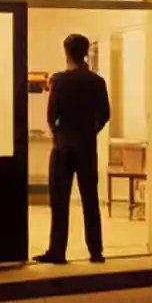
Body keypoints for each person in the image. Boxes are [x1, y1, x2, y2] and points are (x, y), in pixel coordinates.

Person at [34, 33, 110, 264]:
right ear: (85, 52)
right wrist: (90, 131)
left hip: (63, 147)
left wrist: (60, 132)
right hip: (86, 147)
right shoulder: (97, 82)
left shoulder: (59, 80)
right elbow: (105, 114)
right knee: (90, 199)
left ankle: (58, 251)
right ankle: (95, 251)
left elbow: (52, 115)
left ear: (66, 52)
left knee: (59, 201)